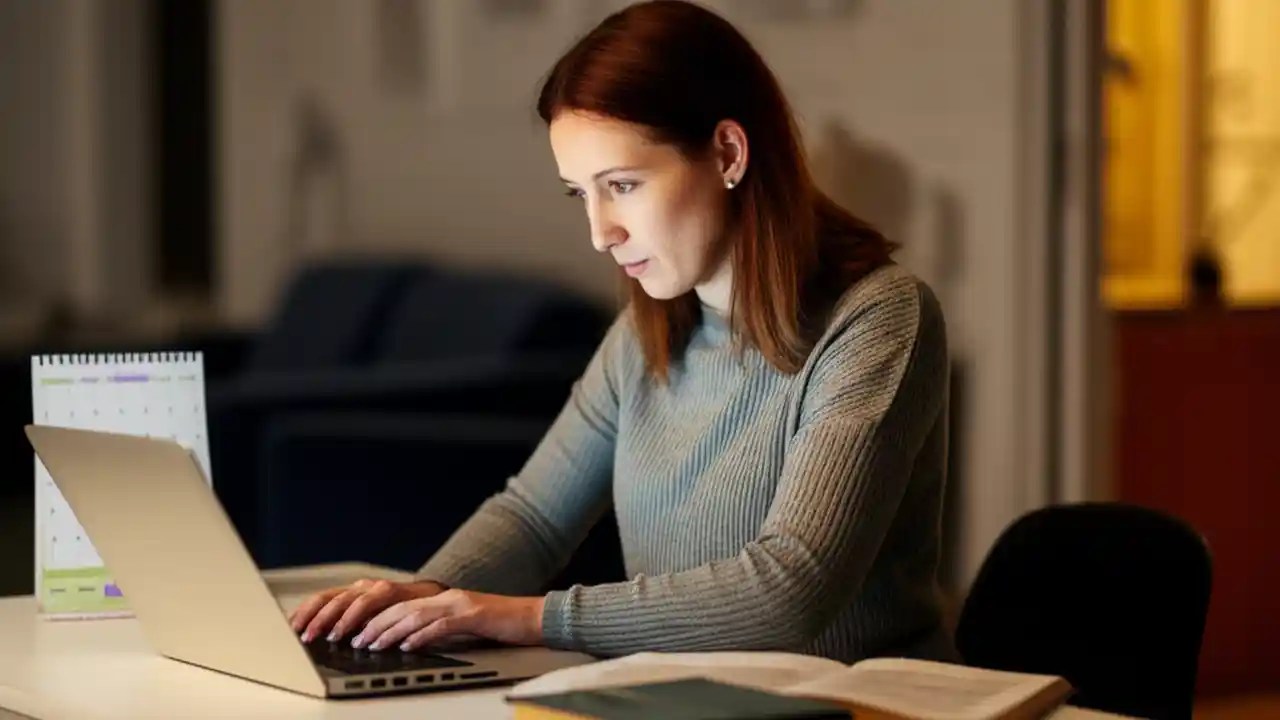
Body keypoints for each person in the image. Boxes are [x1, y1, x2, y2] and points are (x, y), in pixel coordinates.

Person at [289, 0, 954, 664]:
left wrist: (527, 617)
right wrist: (416, 602)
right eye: (581, 193)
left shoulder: (879, 319)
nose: (600, 233)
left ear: (727, 152)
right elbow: (534, 518)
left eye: (624, 185)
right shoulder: (648, 328)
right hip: (686, 702)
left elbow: (790, 590)